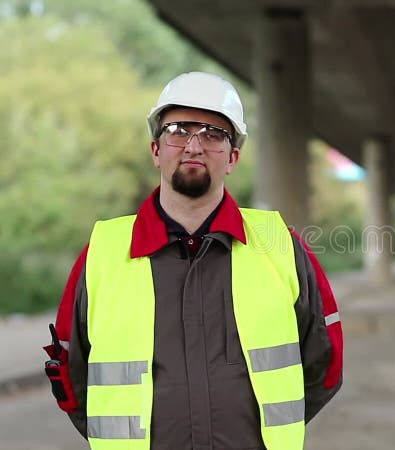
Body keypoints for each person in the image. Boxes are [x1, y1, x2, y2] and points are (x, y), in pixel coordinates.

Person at [44, 71, 343, 450]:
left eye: (213, 134)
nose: (193, 146)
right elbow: (70, 374)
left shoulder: (279, 245)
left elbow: (326, 363)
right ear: (156, 150)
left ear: (233, 157)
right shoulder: (103, 250)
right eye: (178, 130)